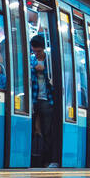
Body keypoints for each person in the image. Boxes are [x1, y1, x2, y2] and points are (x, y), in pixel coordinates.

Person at [29, 35, 56, 167]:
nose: (36, 53)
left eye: (38, 51)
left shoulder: (50, 62)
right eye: (34, 51)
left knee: (47, 132)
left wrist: (44, 70)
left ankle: (47, 160)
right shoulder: (31, 60)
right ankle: (33, 159)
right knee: (33, 129)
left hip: (47, 101)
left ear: (44, 49)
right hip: (33, 100)